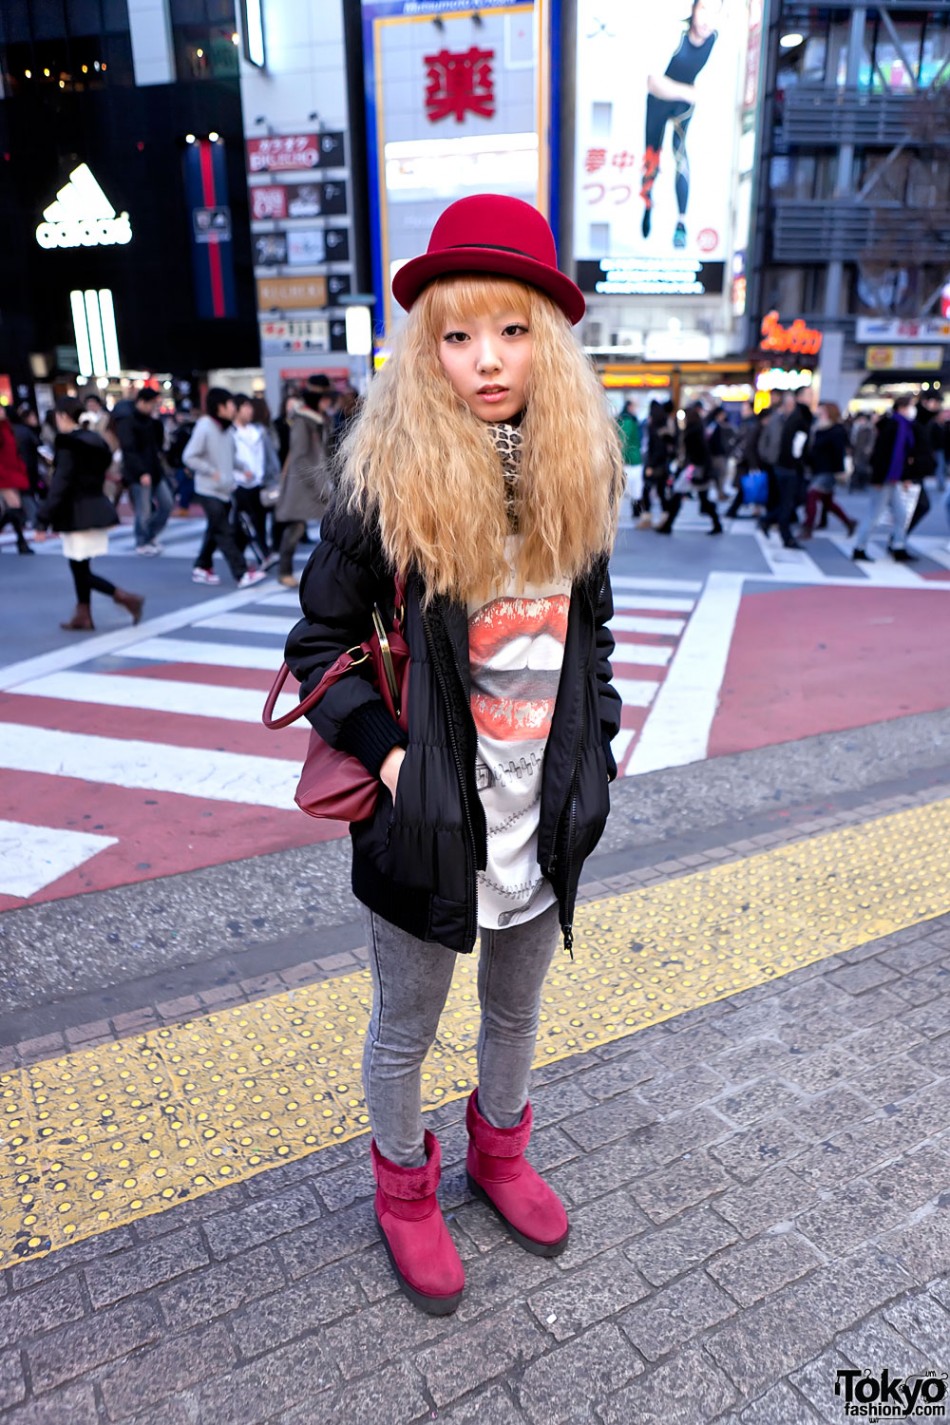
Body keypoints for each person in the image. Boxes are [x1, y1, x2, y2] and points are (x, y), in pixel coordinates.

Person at [283, 194, 624, 1316]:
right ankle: (405, 1192)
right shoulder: (381, 490)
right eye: (459, 334)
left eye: (513, 330)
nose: (488, 360)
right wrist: (388, 762)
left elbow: (597, 638)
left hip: (541, 819)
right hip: (425, 822)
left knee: (518, 1015)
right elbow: (319, 645)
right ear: (425, 349)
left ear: (549, 343)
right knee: (404, 1029)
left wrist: (597, 748)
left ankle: (500, 1154)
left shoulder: (575, 476)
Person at [33, 396, 143, 629]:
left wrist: (43, 519)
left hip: (76, 511)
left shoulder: (68, 444)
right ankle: (84, 614)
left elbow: (60, 483)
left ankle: (126, 599)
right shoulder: (94, 440)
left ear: (63, 416)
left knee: (80, 568)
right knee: (80, 566)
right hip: (94, 506)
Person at [640, 0, 723, 249]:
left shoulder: (715, 43)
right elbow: (653, 82)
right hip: (657, 104)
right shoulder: (675, 36)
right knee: (651, 159)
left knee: (681, 156)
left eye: (714, 13)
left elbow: (706, 91)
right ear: (694, 10)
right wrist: (686, 91)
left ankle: (681, 223)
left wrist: (679, 92)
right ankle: (647, 206)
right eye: (704, 10)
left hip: (682, 110)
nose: (707, 19)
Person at [183, 388, 266, 588]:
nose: (233, 409)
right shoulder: (205, 426)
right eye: (230, 405)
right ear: (220, 407)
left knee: (214, 530)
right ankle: (241, 572)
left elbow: (229, 457)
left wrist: (242, 468)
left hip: (225, 490)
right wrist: (212, 471)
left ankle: (201, 566)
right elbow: (189, 456)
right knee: (223, 531)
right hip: (208, 489)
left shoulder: (227, 429)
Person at [273, 385, 334, 588]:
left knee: (328, 527)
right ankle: (284, 571)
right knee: (296, 527)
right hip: (302, 484)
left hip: (316, 481)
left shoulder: (320, 420)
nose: (328, 403)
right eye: (325, 398)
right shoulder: (303, 421)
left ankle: (328, 574)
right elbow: (299, 457)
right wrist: (319, 483)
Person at [851, 394, 917, 563]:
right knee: (874, 515)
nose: (912, 410)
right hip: (884, 479)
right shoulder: (893, 426)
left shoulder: (902, 425)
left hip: (891, 478)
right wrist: (878, 479)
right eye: (911, 406)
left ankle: (898, 546)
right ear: (902, 407)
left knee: (901, 514)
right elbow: (881, 454)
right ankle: (860, 548)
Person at [113, 386, 173, 554]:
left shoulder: (153, 422)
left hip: (155, 470)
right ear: (141, 402)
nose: (153, 407)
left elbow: (159, 446)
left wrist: (157, 422)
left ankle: (149, 534)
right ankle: (142, 541)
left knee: (167, 503)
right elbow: (129, 450)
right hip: (138, 473)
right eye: (151, 404)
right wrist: (141, 472)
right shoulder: (127, 422)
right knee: (143, 509)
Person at [656, 403, 722, 534]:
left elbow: (693, 452)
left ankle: (668, 525)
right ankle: (716, 524)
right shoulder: (695, 430)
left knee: (679, 494)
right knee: (696, 498)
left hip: (695, 469)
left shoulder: (692, 432)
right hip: (697, 469)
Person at [231, 393, 280, 568]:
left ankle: (248, 557)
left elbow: (270, 456)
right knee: (246, 522)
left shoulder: (258, 431)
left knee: (256, 522)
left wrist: (273, 477)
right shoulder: (230, 433)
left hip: (259, 483)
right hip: (238, 484)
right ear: (236, 410)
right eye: (245, 407)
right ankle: (263, 555)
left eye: (250, 407)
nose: (249, 410)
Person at [759, 391, 810, 549]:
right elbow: (796, 450)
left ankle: (771, 522)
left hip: (785, 466)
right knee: (788, 503)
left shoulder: (791, 420)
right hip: (786, 467)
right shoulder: (790, 421)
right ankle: (781, 532)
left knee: (788, 502)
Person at [800, 402, 856, 540]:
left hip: (829, 470)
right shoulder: (818, 428)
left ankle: (808, 527)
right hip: (817, 469)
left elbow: (839, 452)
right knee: (828, 502)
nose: (820, 413)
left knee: (812, 496)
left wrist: (840, 471)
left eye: (823, 411)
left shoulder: (836, 430)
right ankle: (848, 523)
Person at [0, 404, 36, 552]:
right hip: (4, 473)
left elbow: (14, 451)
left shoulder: (8, 428)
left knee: (15, 508)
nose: (1, 412)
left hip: (13, 471)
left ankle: (21, 542)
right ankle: (22, 543)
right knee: (15, 507)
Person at [165, 400, 197, 516]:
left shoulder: (190, 430)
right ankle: (181, 506)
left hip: (185, 463)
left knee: (185, 485)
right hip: (177, 463)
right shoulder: (174, 429)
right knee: (180, 485)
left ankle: (183, 507)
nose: (183, 417)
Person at [617, 399, 642, 519]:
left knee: (631, 487)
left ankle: (636, 510)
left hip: (631, 458)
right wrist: (623, 457)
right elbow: (624, 440)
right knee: (633, 487)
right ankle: (636, 510)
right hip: (631, 459)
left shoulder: (624, 420)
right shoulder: (628, 421)